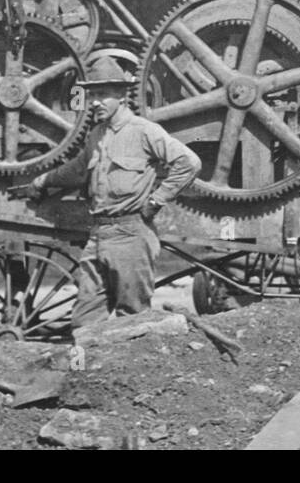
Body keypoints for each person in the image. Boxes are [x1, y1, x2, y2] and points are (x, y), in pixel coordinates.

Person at [30, 56, 199, 328]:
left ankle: (127, 370)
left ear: (121, 95)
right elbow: (78, 169)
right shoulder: (97, 133)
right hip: (98, 235)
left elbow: (188, 163)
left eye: (102, 94)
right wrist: (44, 180)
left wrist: (157, 200)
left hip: (130, 233)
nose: (94, 102)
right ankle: (84, 369)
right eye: (91, 94)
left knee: (132, 317)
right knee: (84, 319)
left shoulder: (144, 131)